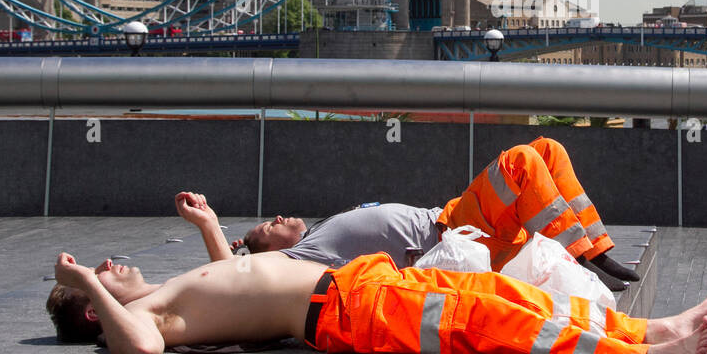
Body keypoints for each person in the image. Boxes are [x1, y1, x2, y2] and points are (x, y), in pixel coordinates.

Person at [45, 249, 707, 354]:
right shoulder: (136, 321)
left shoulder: (166, 290)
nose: (112, 265)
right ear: (92, 313)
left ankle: (643, 329)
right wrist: (93, 290)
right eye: (99, 272)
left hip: (353, 285)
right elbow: (140, 352)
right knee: (490, 321)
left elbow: (239, 281)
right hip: (342, 315)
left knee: (499, 290)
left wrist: (207, 230)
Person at [230, 137, 640, 288]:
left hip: (459, 224)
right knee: (520, 162)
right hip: (457, 238)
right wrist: (216, 235)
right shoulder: (302, 258)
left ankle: (594, 249)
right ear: (271, 252)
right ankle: (587, 256)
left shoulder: (318, 232)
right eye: (270, 226)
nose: (279, 217)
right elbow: (237, 280)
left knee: (548, 149)